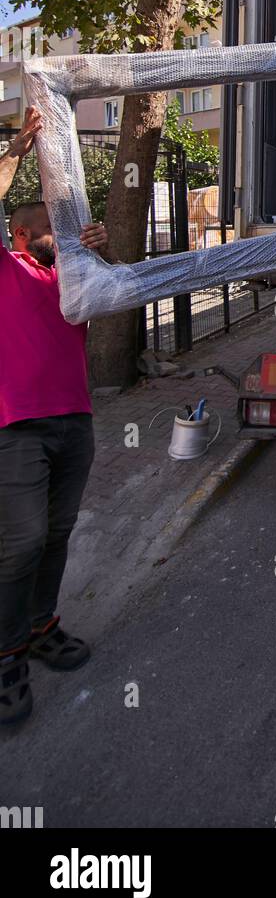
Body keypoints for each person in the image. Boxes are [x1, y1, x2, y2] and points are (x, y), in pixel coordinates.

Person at [0, 107, 109, 726]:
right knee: (21, 543)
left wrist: (99, 249)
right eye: (49, 226)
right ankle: (6, 655)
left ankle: (41, 627)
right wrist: (17, 151)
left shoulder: (71, 276)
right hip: (16, 427)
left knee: (57, 532)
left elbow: (114, 289)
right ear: (20, 233)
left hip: (76, 421)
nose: (60, 233)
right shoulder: (6, 268)